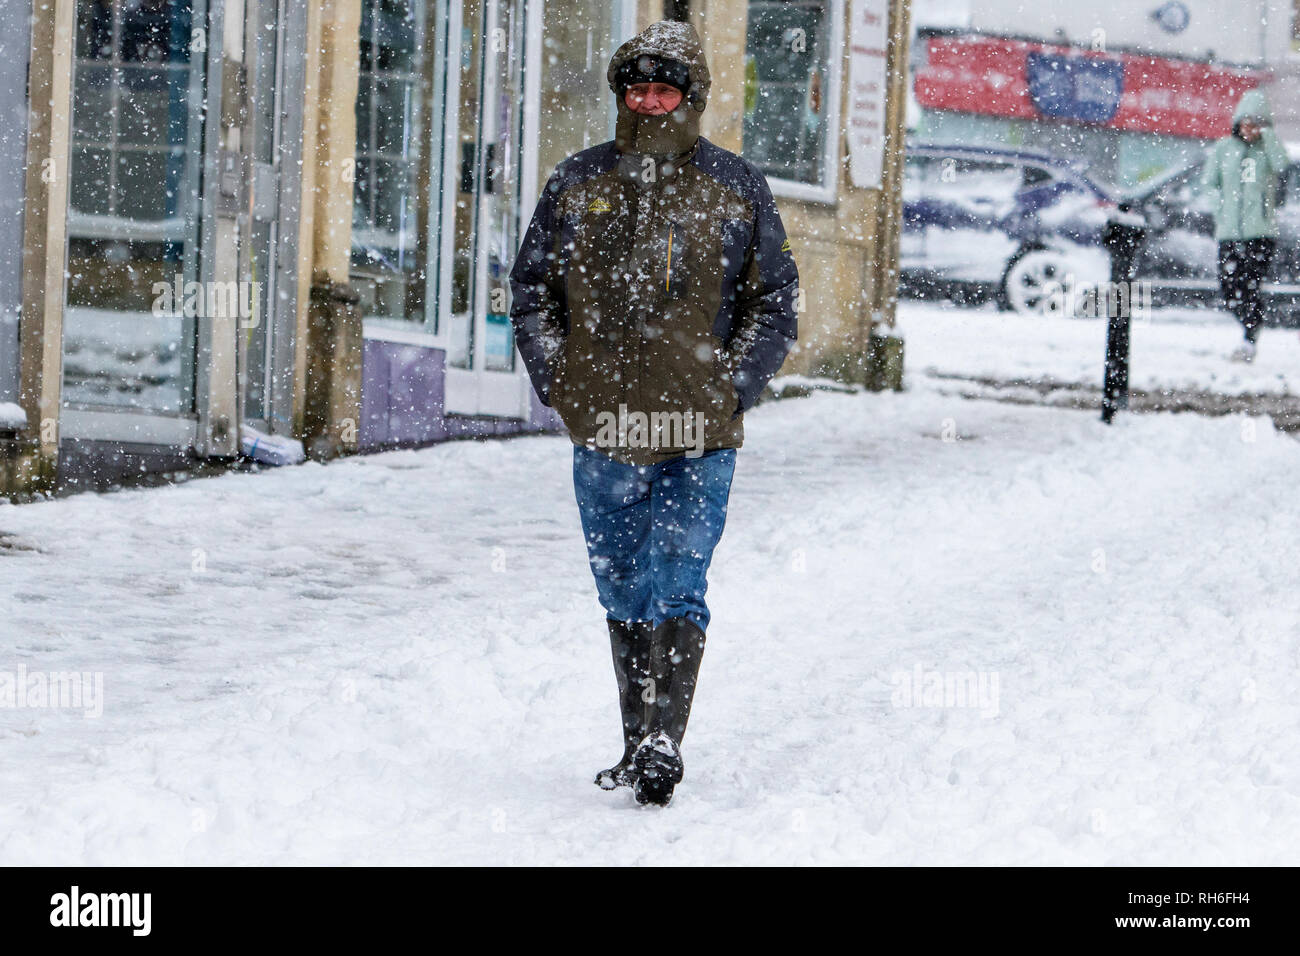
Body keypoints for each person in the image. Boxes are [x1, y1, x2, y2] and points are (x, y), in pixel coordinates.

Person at [508, 20, 799, 805]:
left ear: (691, 96)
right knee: (622, 585)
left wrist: (730, 388)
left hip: (698, 433)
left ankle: (667, 738)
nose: (647, 100)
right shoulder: (579, 180)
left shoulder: (734, 186)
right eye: (635, 87)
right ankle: (636, 739)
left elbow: (773, 302)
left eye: (663, 87)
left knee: (679, 577)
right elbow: (531, 292)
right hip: (604, 431)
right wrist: (561, 382)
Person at [1201, 88, 1289, 362]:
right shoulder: (1223, 149)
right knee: (1229, 289)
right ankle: (1251, 327)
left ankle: (1250, 338)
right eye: (1246, 122)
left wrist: (1270, 138)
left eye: (1257, 123)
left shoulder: (1267, 151)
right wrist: (1222, 209)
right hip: (1228, 232)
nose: (1250, 128)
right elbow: (1210, 183)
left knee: (1251, 286)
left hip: (1259, 232)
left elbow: (1282, 166)